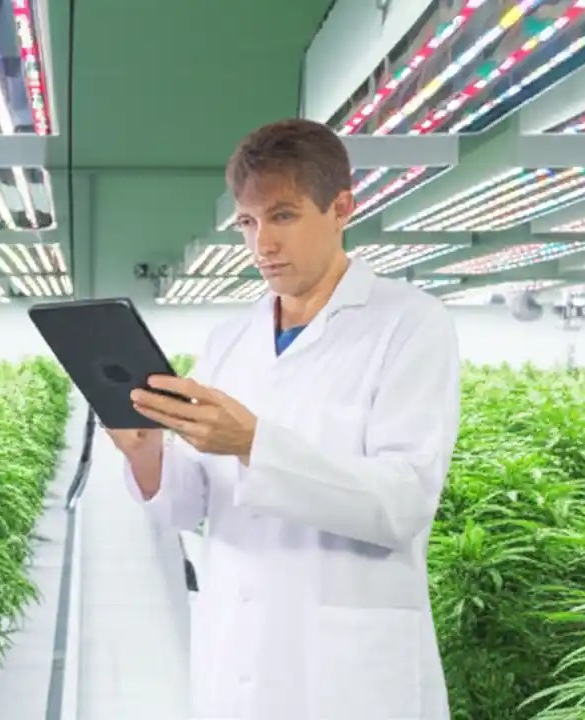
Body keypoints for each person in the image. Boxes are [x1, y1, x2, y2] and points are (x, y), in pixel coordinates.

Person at [106, 118, 461, 720]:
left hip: (348, 677)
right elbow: (190, 507)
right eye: (248, 222)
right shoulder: (229, 340)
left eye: (283, 216)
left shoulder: (410, 324)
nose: (262, 244)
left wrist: (254, 444)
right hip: (238, 656)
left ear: (342, 208)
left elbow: (403, 504)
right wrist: (146, 452)